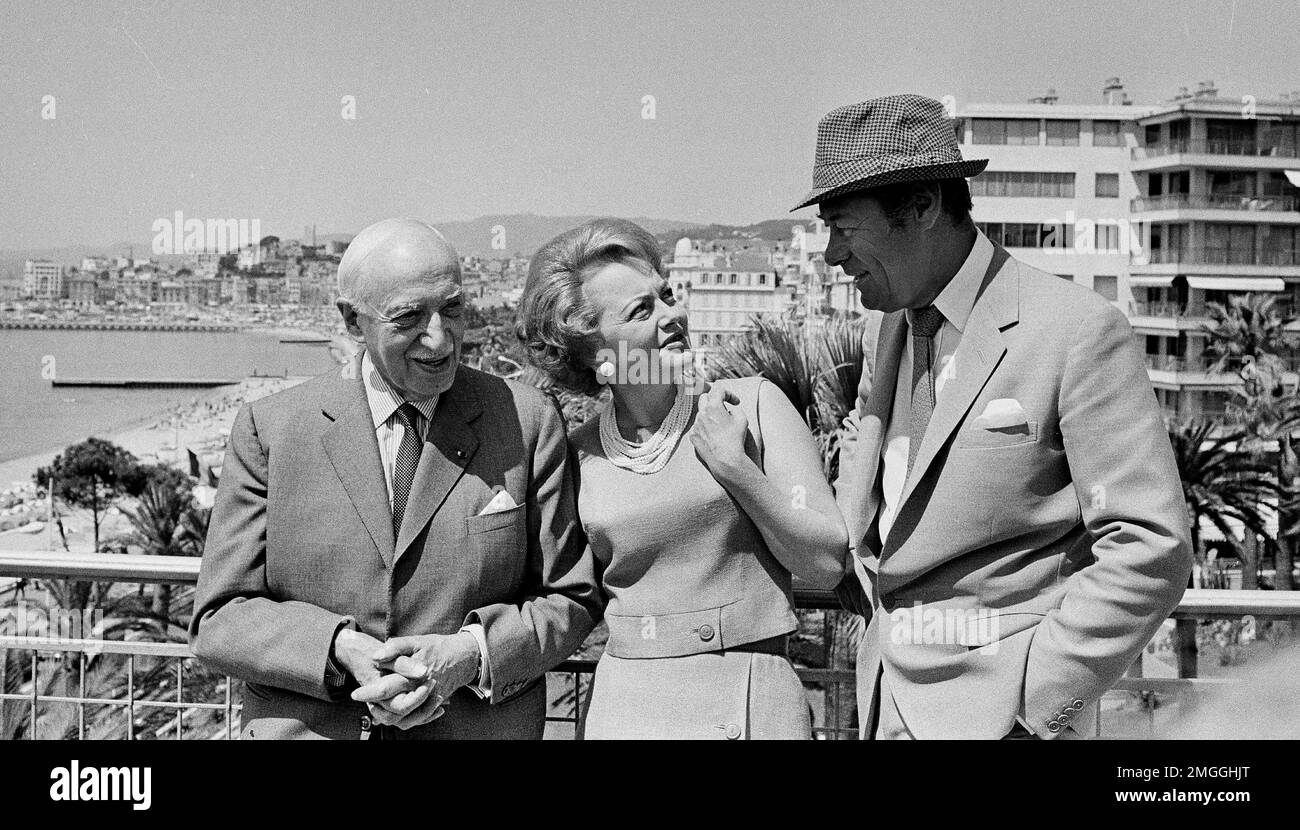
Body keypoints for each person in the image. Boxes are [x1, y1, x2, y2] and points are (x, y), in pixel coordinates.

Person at [792, 95, 1193, 739]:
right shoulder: (885, 334)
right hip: (880, 706)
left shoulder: (1075, 331)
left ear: (922, 207)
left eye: (842, 224)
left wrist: (1034, 707)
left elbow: (1151, 547)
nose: (831, 253)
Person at [190, 218, 601, 739]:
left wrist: (470, 654)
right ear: (350, 320)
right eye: (408, 317)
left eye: (452, 309)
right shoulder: (270, 431)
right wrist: (339, 649)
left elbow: (572, 598)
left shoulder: (525, 421)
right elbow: (220, 618)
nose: (440, 337)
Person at [517, 217, 847, 739]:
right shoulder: (575, 453)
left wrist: (737, 470)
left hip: (748, 700)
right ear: (593, 352)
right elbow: (563, 593)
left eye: (667, 295)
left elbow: (826, 563)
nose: (674, 315)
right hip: (626, 709)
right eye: (643, 310)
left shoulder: (752, 405)